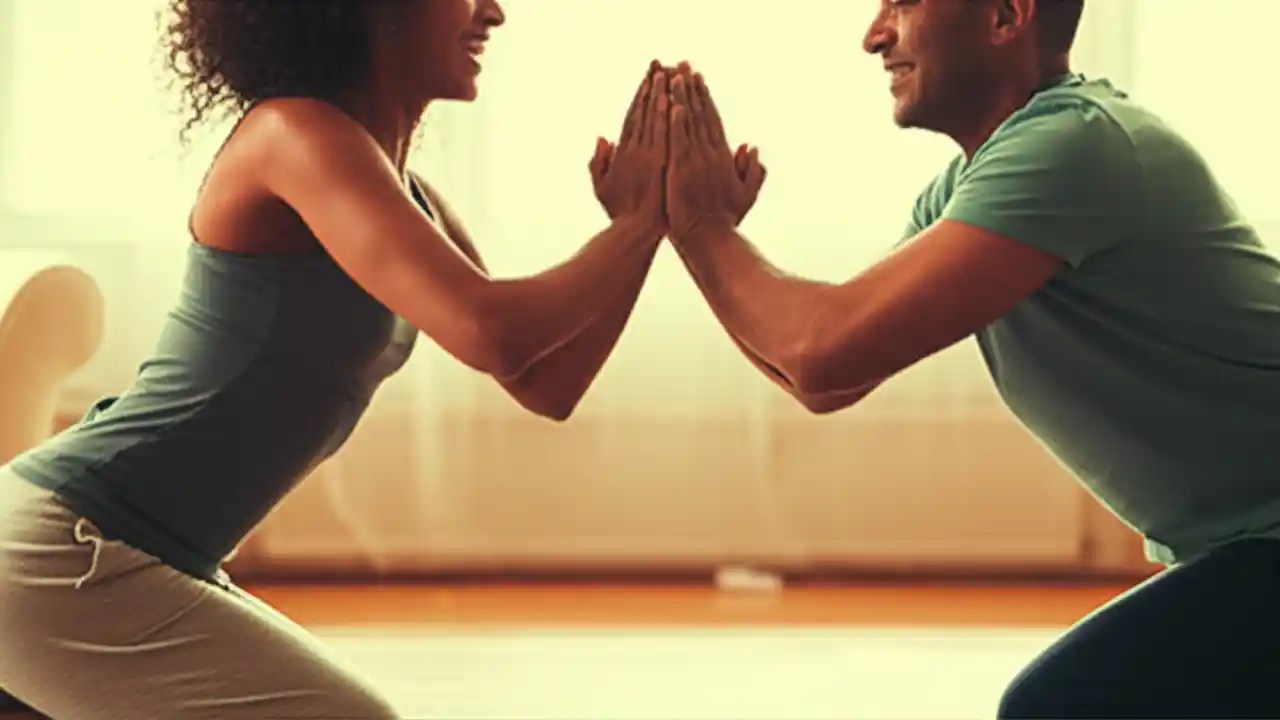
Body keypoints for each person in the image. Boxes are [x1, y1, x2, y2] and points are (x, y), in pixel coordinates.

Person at [0, 0, 703, 717]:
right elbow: (493, 331)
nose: (493, 12)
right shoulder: (293, 135)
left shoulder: (410, 194)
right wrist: (635, 224)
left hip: (126, 557)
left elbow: (549, 381)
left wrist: (646, 227)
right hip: (68, 550)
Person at [661, 0, 1280, 717]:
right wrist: (698, 231)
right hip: (1249, 544)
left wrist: (702, 226)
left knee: (1064, 707)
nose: (874, 36)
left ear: (1005, 16)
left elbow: (819, 350)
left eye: (904, 3)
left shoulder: (1075, 147)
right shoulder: (975, 185)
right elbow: (822, 379)